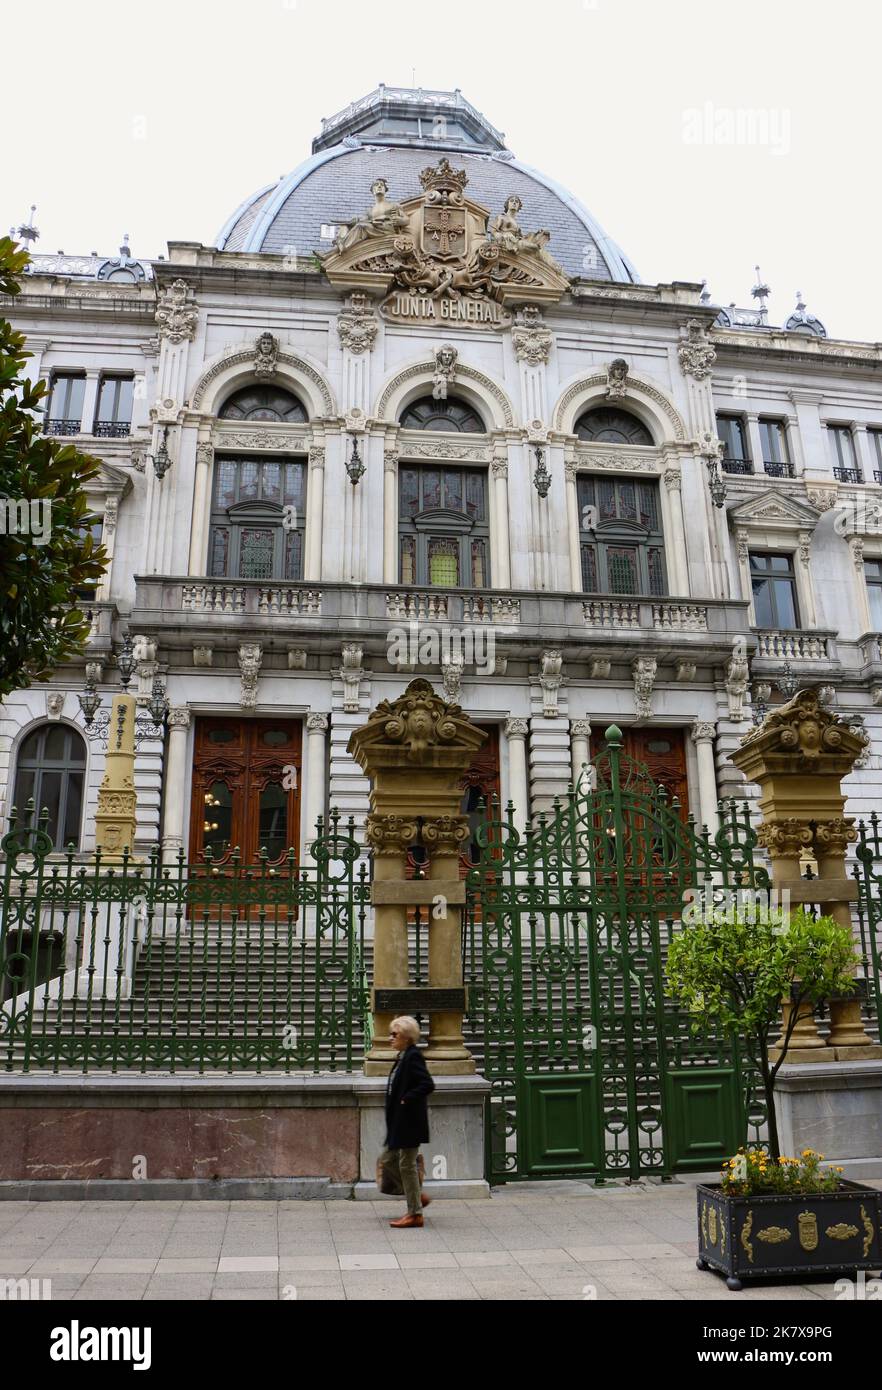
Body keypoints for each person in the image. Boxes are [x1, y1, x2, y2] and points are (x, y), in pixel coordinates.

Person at [379, 1015, 435, 1228]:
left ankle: (415, 1213)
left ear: (407, 1037)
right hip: (400, 1122)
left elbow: (427, 1084)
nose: (390, 1038)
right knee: (389, 1160)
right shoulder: (403, 1056)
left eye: (395, 1034)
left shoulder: (413, 1056)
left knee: (406, 1164)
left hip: (409, 1122)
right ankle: (416, 1196)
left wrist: (406, 1099)